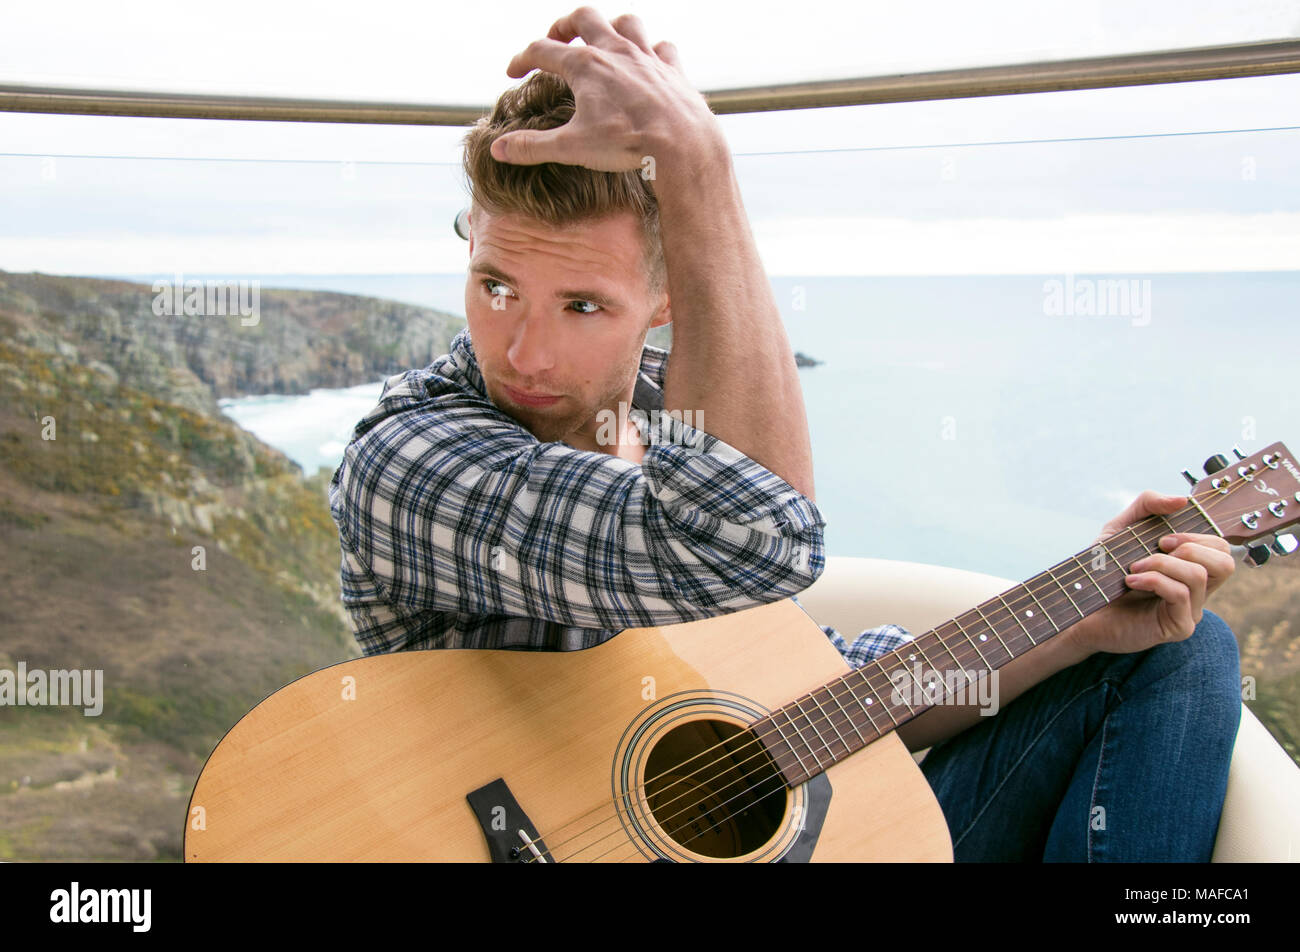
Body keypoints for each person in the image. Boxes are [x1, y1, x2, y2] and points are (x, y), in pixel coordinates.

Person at [328, 7, 1242, 862]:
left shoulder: (674, 425)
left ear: (666, 301)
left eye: (581, 305)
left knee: (1183, 647)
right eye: (495, 285)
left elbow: (810, 700)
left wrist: (1077, 621)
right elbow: (765, 548)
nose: (523, 349)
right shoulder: (409, 461)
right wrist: (698, 165)